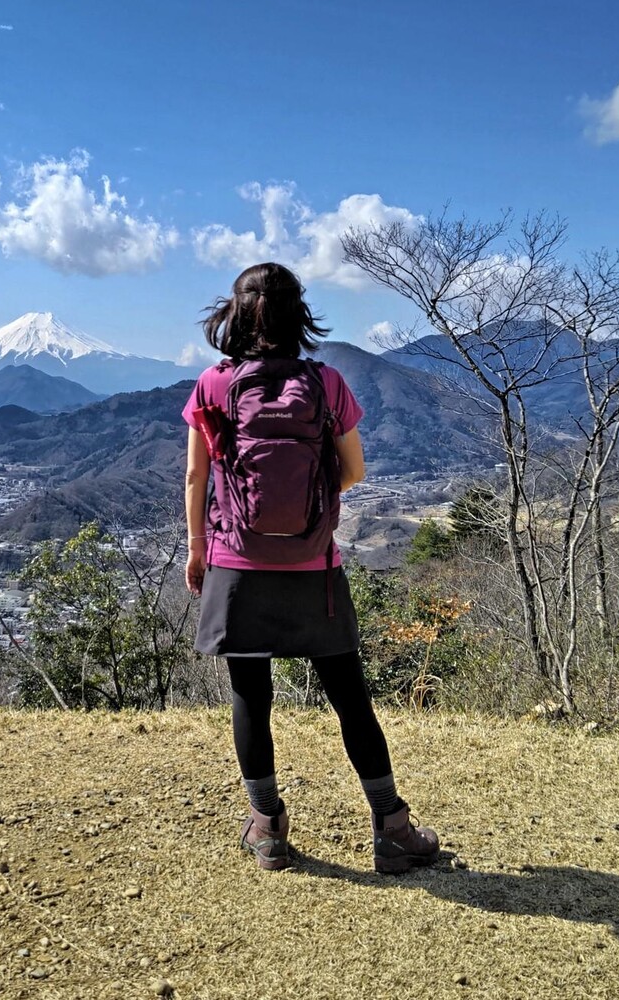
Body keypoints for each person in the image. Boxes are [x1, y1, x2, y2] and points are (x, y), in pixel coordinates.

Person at [182, 262, 439, 874]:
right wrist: (315, 498)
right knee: (350, 697)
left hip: (236, 562)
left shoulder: (213, 386)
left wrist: (198, 548)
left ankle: (267, 829)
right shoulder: (326, 383)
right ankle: (392, 828)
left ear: (234, 315)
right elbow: (355, 472)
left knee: (251, 695)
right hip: (314, 565)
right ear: (300, 314)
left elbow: (197, 475)